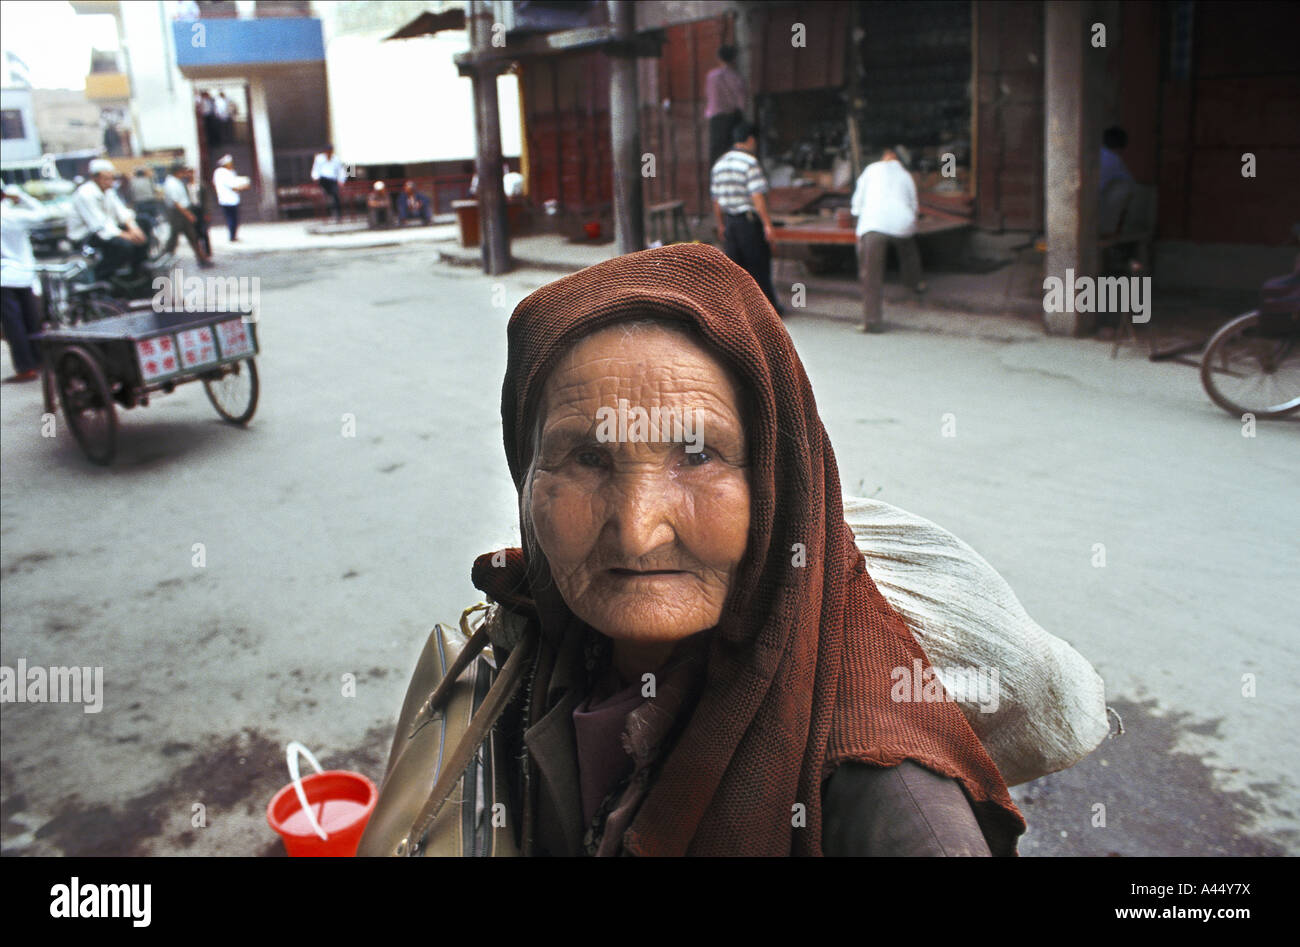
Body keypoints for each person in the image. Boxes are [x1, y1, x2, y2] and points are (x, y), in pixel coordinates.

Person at [362, 243, 1025, 856]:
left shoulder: (895, 807)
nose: (639, 529)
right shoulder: (537, 635)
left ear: (779, 485)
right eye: (587, 457)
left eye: (699, 454)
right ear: (525, 472)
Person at [850, 145, 925, 333]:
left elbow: (857, 203)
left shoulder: (870, 170)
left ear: (886, 155)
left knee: (871, 274)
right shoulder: (906, 175)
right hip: (902, 223)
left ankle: (872, 320)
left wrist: (859, 217)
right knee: (908, 248)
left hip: (874, 223)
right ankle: (915, 283)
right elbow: (914, 206)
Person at [710, 120, 781, 314]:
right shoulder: (749, 163)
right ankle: (767, 311)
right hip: (748, 223)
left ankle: (740, 312)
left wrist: (721, 224)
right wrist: (767, 224)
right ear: (750, 140)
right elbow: (756, 196)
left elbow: (716, 199)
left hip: (730, 223)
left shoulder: (720, 164)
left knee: (736, 270)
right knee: (758, 266)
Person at [66, 158, 149, 281]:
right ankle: (102, 276)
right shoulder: (85, 194)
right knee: (124, 246)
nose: (110, 182)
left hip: (106, 230)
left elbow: (122, 212)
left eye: (111, 178)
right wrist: (127, 236)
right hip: (86, 235)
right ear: (95, 178)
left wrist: (134, 229)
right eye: (106, 179)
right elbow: (98, 224)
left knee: (144, 223)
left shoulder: (108, 192)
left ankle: (136, 273)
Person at [1, 185, 47, 382]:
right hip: (24, 274)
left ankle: (25, 368)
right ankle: (39, 360)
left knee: (14, 324)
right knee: (31, 318)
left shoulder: (10, 215)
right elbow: (42, 213)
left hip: (4, 278)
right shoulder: (14, 215)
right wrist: (22, 197)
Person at [705, 44, 748, 168]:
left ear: (719, 58)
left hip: (716, 118)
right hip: (733, 117)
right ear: (734, 59)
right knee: (734, 151)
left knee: (717, 152)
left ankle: (717, 180)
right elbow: (742, 102)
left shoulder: (711, 77)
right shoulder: (737, 77)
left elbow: (709, 96)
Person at [161, 164, 212, 267]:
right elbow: (176, 202)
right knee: (174, 238)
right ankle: (164, 259)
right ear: (177, 172)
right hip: (179, 214)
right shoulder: (171, 183)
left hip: (183, 212)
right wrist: (188, 214)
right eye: (182, 172)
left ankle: (202, 259)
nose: (184, 174)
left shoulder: (176, 182)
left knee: (192, 236)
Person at [212, 154, 249, 242]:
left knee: (230, 218)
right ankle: (232, 236)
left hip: (223, 199)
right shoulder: (225, 173)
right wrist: (244, 187)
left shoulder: (218, 172)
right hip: (231, 199)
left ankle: (232, 235)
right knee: (233, 218)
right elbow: (233, 186)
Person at [310, 145, 347, 221]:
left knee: (335, 195)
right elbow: (315, 170)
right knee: (326, 182)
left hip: (332, 180)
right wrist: (315, 178)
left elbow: (341, 171)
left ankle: (338, 214)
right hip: (323, 179)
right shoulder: (319, 159)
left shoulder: (336, 159)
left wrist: (341, 180)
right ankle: (329, 192)